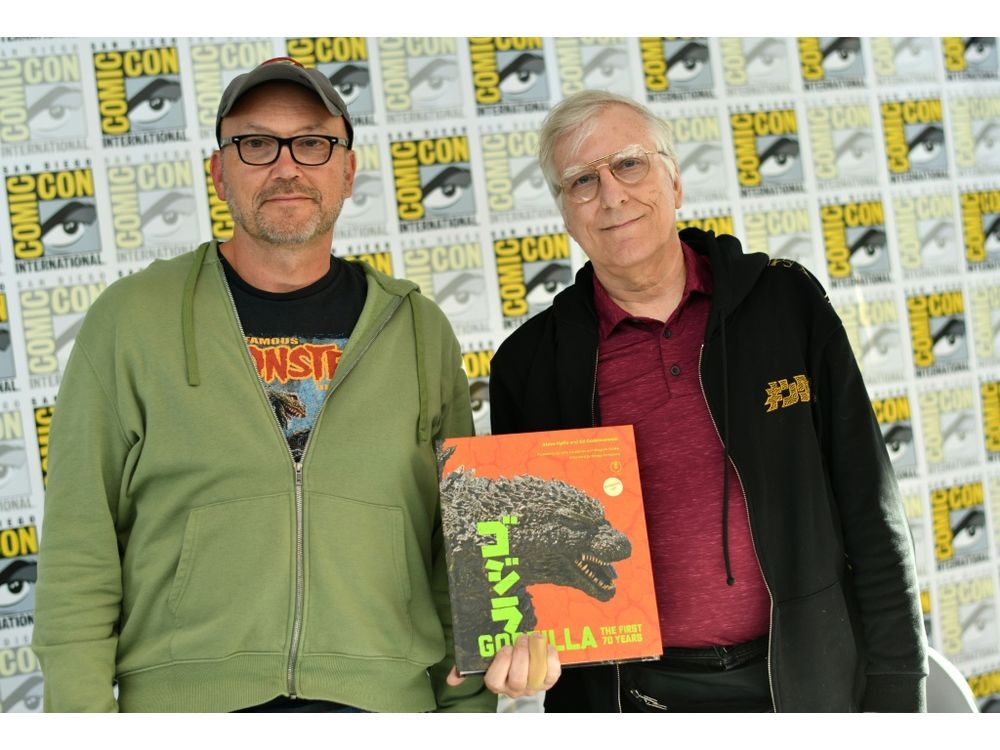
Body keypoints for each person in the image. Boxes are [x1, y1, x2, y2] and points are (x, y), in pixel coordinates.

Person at [31, 56, 557, 713]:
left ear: (347, 168)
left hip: (383, 705)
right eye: (256, 143)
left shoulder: (418, 329)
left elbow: (458, 547)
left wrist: (465, 710)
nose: (287, 166)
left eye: (312, 142)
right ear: (218, 171)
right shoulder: (131, 320)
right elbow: (80, 551)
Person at [488, 89, 928, 712]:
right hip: (638, 701)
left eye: (629, 164)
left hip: (811, 682)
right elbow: (522, 558)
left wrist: (896, 692)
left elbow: (871, 510)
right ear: (564, 211)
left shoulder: (786, 305)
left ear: (674, 181)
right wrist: (513, 643)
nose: (611, 195)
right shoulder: (528, 364)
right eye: (582, 181)